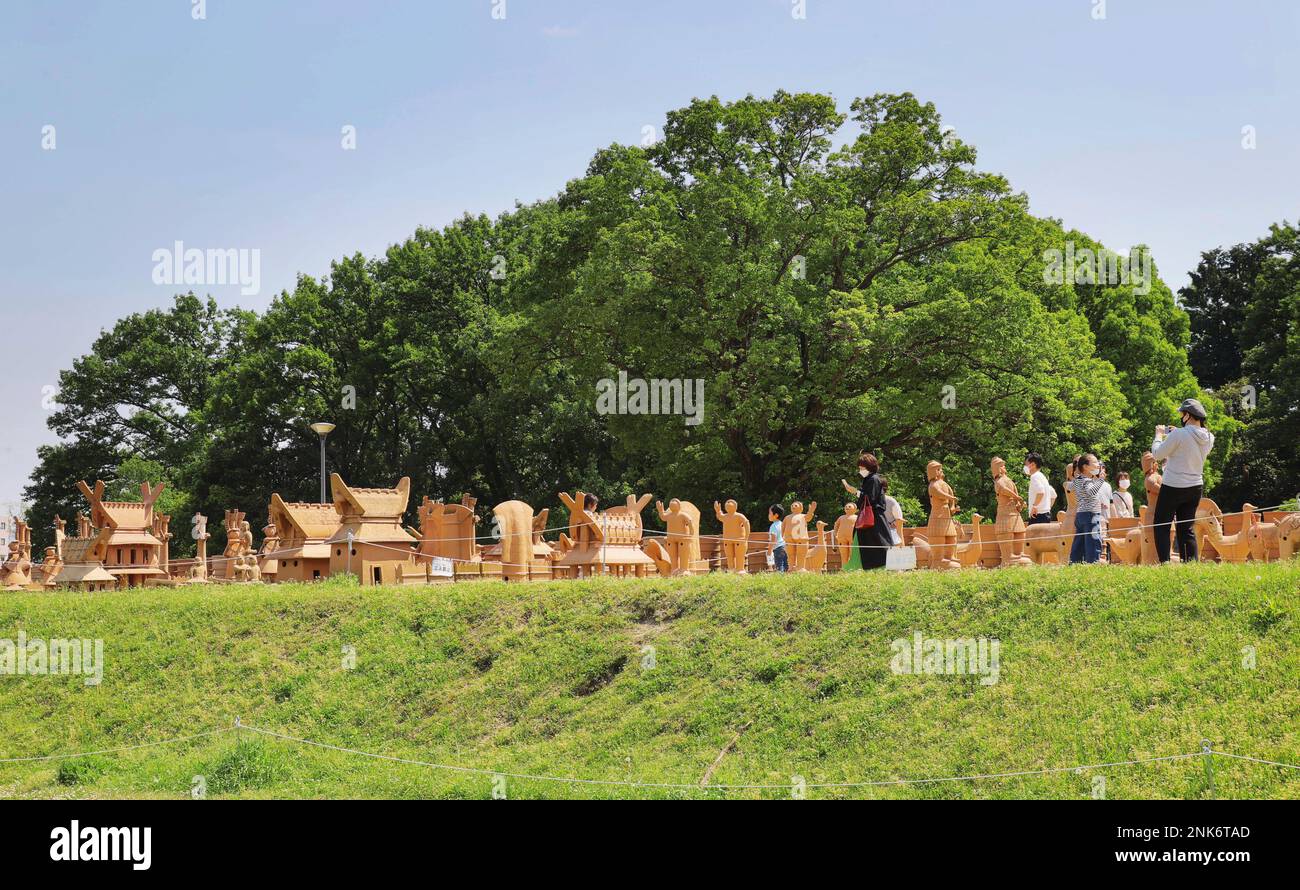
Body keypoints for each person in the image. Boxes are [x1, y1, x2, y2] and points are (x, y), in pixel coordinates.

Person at [1151, 398, 1215, 562]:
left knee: (1161, 524)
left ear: (1187, 415)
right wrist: (1176, 433)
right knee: (1186, 527)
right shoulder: (1209, 437)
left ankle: (1165, 562)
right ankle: (1190, 563)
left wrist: (1158, 436)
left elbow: (1157, 455)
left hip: (1173, 485)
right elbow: (1189, 447)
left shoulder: (1179, 434)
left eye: (1182, 413)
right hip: (1195, 487)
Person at [842, 453, 891, 569]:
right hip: (868, 518)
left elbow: (870, 498)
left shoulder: (874, 479)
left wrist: (855, 491)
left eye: (862, 467)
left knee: (879, 543)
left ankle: (880, 568)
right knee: (864, 543)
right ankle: (859, 567)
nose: (860, 470)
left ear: (869, 466)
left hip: (874, 518)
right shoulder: (868, 479)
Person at [1068, 453, 1107, 564]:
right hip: (1091, 515)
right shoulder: (1087, 481)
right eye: (1094, 463)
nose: (1097, 465)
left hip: (1080, 515)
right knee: (1093, 540)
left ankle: (1075, 562)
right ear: (1085, 466)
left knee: (1079, 541)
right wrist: (1101, 480)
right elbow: (1091, 492)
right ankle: (1093, 563)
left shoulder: (1078, 479)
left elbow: (1069, 488)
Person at [1025, 453, 1056, 525]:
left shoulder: (1034, 476)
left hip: (1037, 515)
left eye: (1026, 464)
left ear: (1032, 464)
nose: (1025, 467)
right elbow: (1054, 495)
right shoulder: (1042, 476)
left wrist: (1035, 506)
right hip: (1045, 515)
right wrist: (1047, 507)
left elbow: (1041, 492)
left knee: (1032, 536)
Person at [767, 504, 788, 573]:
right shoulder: (782, 524)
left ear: (776, 515)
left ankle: (780, 578)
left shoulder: (773, 526)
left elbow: (773, 540)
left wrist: (769, 550)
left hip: (778, 549)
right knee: (785, 565)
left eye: (770, 513)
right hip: (785, 547)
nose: (768, 515)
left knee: (779, 566)